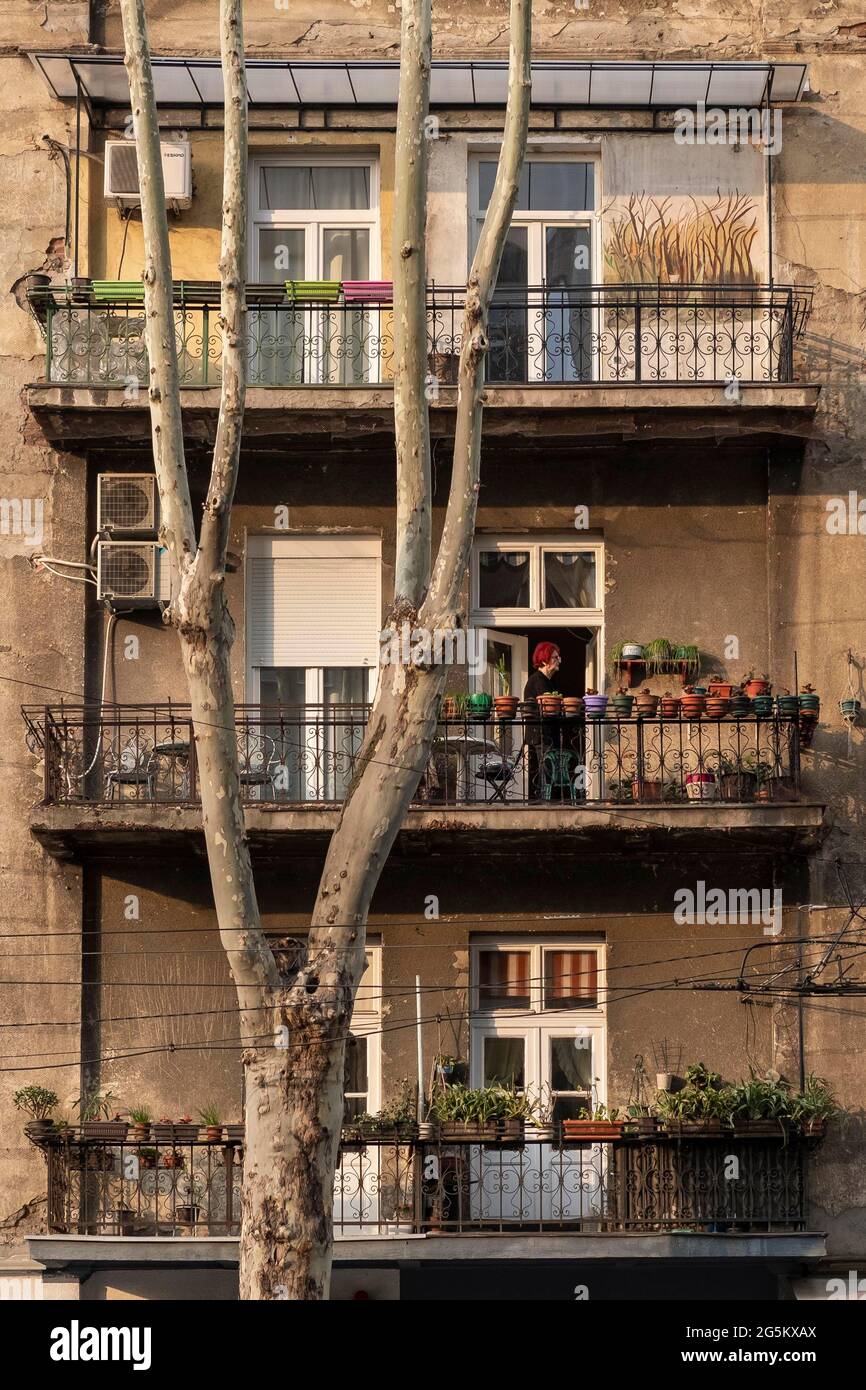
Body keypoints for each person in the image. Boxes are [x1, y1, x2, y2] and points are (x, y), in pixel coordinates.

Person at [523, 641, 562, 800]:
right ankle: (544, 801)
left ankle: (547, 799)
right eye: (555, 657)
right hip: (540, 733)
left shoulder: (548, 681)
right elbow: (546, 707)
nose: (559, 660)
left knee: (548, 767)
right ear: (545, 660)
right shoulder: (538, 680)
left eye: (559, 657)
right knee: (545, 768)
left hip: (546, 733)